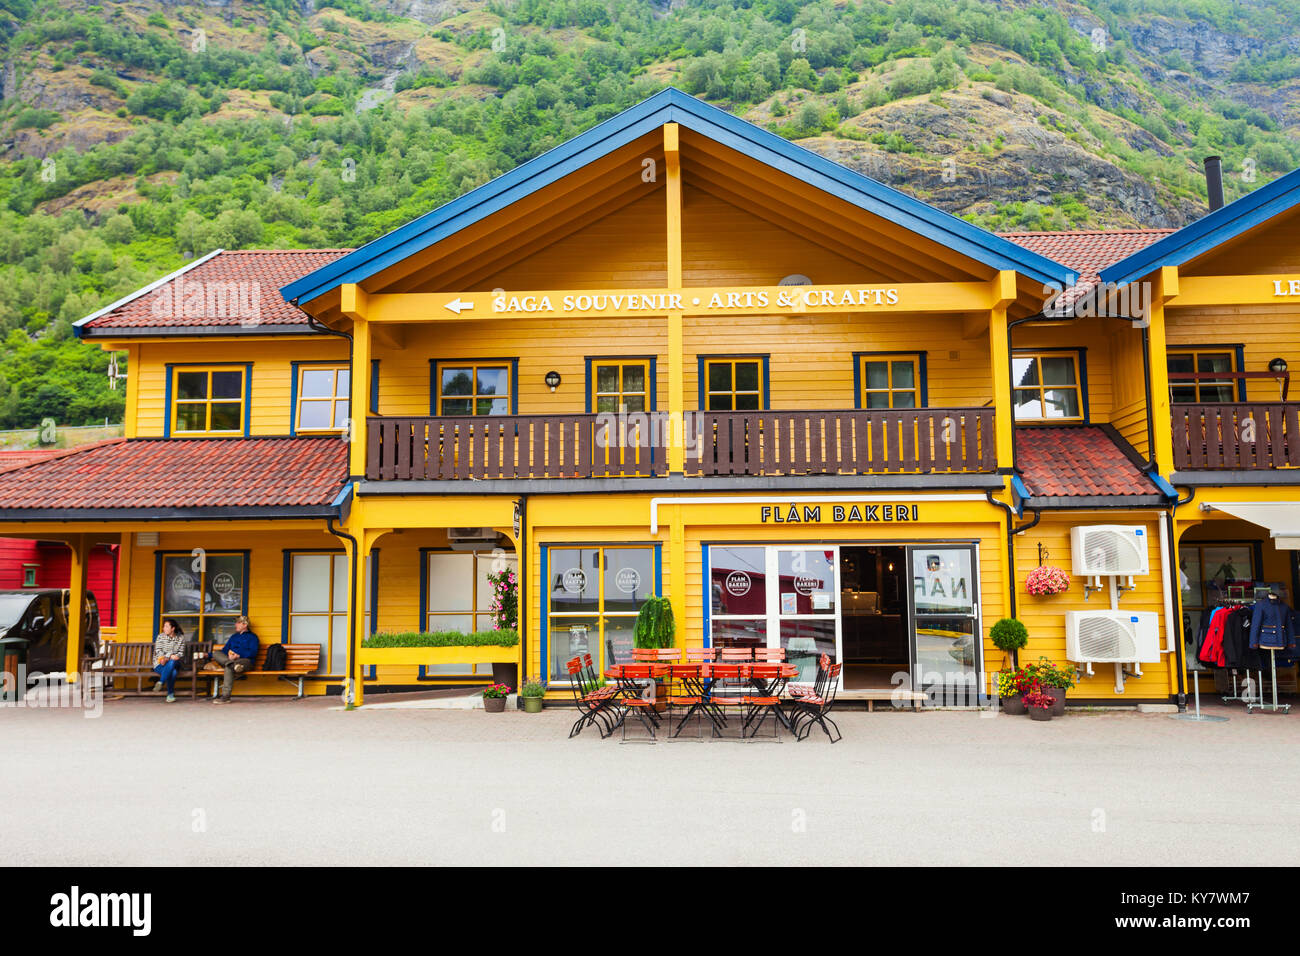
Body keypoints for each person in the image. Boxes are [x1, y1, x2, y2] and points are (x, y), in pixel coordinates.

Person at [208, 616, 259, 703]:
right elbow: (224, 650)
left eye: (238, 623)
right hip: (232, 661)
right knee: (216, 653)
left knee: (228, 667)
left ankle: (226, 697)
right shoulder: (234, 637)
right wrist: (208, 655)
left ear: (245, 624)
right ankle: (232, 664)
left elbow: (253, 653)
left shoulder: (253, 637)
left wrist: (238, 656)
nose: (235, 624)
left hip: (245, 661)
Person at [153, 618, 186, 703]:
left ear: (173, 628)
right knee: (173, 672)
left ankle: (161, 681)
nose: (164, 628)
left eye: (166, 626)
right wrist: (169, 656)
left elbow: (181, 653)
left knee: (172, 662)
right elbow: (158, 651)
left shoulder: (180, 638)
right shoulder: (160, 637)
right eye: (164, 626)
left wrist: (170, 657)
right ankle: (170, 695)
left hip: (175, 662)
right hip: (160, 663)